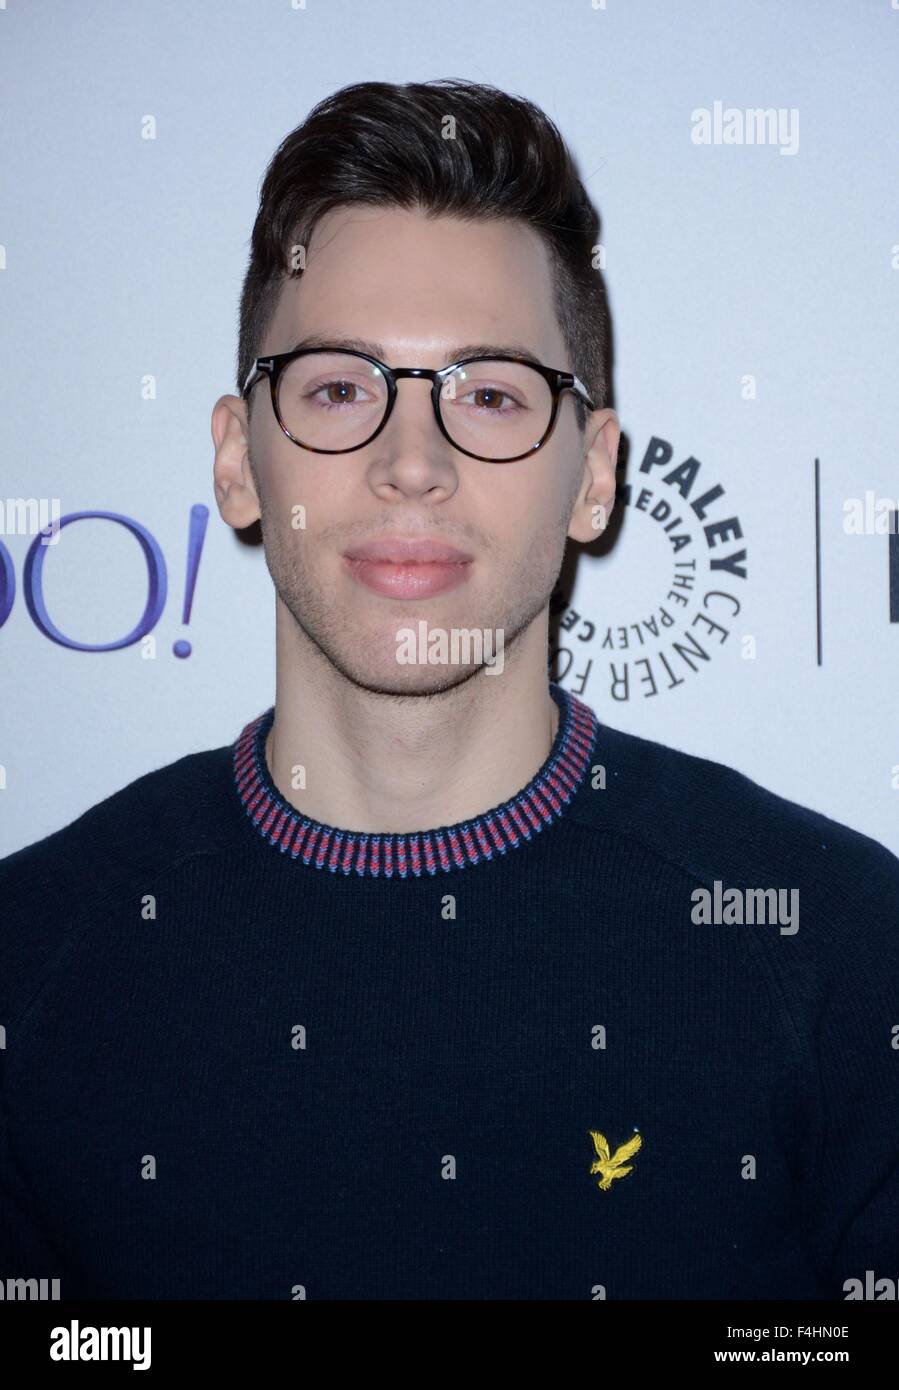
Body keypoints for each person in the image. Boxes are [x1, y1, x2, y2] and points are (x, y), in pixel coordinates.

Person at [1, 78, 897, 1302]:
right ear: (235, 457)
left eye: (487, 394)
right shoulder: (32, 957)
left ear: (593, 477)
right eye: (336, 387)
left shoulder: (843, 943)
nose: (410, 463)